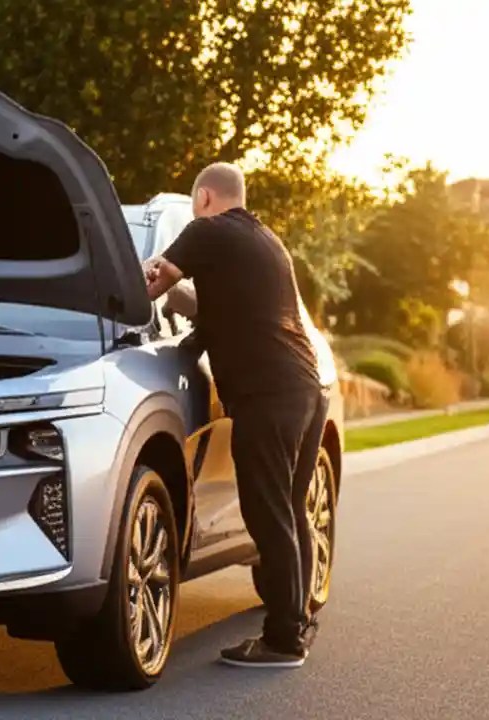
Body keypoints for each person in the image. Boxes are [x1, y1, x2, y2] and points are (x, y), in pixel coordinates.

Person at [142, 162, 328, 669]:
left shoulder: (207, 231)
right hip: (305, 390)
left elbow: (153, 283)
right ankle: (296, 621)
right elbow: (218, 306)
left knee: (269, 515)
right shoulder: (263, 239)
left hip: (268, 396)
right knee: (288, 512)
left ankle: (283, 641)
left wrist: (122, 287)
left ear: (203, 197)